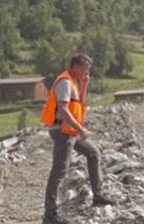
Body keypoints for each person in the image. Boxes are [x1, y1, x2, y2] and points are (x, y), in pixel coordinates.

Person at [41, 53, 114, 224]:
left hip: (70, 131)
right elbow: (64, 110)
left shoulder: (73, 82)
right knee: (59, 172)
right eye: (86, 68)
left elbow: (79, 103)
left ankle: (98, 195)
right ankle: (49, 214)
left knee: (93, 153)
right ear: (76, 66)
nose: (88, 71)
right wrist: (81, 129)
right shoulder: (65, 82)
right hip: (63, 131)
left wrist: (84, 84)